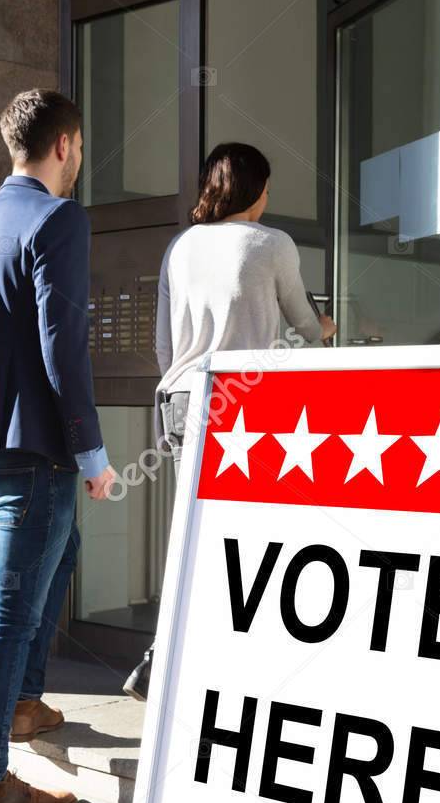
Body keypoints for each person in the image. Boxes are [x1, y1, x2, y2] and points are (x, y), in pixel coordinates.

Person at [0, 88, 118, 803]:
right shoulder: (59, 218)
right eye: (78, 149)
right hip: (32, 449)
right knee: (8, 614)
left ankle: (24, 701)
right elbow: (61, 346)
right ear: (66, 146)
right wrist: (93, 454)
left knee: (63, 548)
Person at [123, 141, 335, 701]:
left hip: (180, 402)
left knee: (195, 534)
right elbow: (307, 328)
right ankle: (235, 667)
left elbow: (164, 344)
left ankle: (161, 659)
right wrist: (327, 326)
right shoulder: (271, 244)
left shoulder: (181, 247)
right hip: (244, 407)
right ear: (257, 190)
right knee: (251, 542)